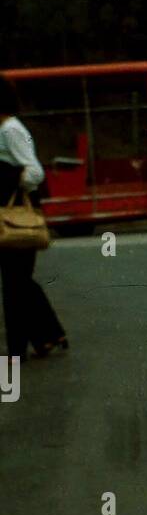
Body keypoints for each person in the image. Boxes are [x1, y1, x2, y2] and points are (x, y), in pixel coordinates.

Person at [0, 75, 68, 361]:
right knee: (17, 281)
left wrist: (8, 178)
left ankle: (25, 346)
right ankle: (46, 336)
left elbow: (35, 172)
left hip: (17, 215)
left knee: (16, 282)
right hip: (9, 214)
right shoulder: (6, 128)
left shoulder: (11, 130)